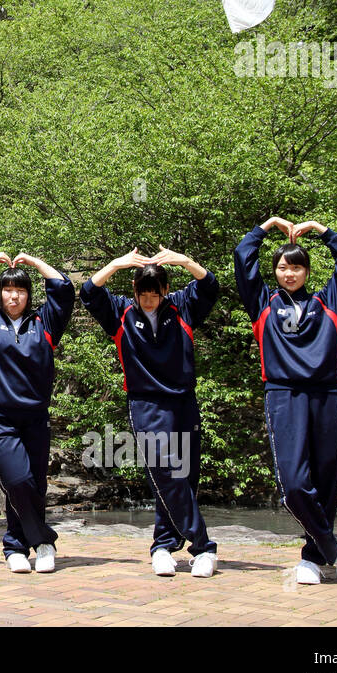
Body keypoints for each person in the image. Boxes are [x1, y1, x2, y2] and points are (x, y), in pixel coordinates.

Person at [234, 217, 337, 586]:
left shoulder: (331, 302)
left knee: (326, 479)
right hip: (283, 395)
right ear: (275, 271)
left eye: (296, 267)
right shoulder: (263, 303)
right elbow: (242, 256)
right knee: (294, 482)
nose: (288, 273)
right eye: (282, 266)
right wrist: (267, 226)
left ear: (307, 271)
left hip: (326, 394)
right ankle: (335, 550)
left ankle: (312, 558)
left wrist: (323, 230)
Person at [82, 246, 220, 578]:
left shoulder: (182, 308)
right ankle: (203, 547)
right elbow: (89, 292)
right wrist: (116, 263)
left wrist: (185, 261)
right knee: (164, 469)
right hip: (146, 404)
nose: (148, 300)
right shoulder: (122, 313)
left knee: (182, 478)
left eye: (154, 295)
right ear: (134, 292)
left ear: (165, 291)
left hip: (183, 402)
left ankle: (163, 545)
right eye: (142, 294)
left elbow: (210, 287)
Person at [0, 251, 74, 573]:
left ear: (28, 294)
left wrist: (34, 263)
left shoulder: (44, 323)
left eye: (20, 290)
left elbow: (63, 288)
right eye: (8, 289)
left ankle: (16, 546)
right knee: (17, 479)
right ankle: (44, 540)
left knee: (34, 484)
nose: (14, 295)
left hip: (34, 416)